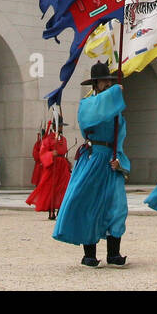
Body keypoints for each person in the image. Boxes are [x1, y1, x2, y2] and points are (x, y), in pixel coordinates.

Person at [53, 62, 131, 268]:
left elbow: (120, 137)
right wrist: (113, 95)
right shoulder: (87, 104)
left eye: (109, 81)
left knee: (117, 206)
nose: (108, 83)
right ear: (95, 84)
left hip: (111, 158)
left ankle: (114, 253)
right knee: (89, 203)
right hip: (93, 157)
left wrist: (120, 160)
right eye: (105, 81)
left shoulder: (115, 111)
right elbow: (92, 117)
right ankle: (89, 254)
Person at [27, 112, 71, 220]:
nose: (61, 127)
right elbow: (42, 153)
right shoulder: (47, 140)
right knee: (52, 188)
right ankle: (51, 211)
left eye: (61, 126)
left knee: (64, 188)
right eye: (59, 125)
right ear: (55, 126)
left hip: (63, 166)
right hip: (53, 166)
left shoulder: (63, 139)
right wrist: (51, 154)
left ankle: (61, 209)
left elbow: (64, 152)